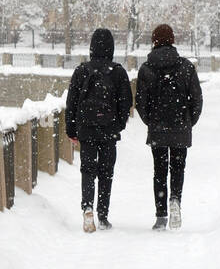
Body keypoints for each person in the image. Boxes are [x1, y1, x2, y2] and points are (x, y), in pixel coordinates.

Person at [64, 27, 134, 232]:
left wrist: (71, 130)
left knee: (87, 170)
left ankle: (87, 208)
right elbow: (126, 103)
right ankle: (103, 214)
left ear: (92, 47)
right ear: (111, 47)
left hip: (86, 129)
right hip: (109, 130)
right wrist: (118, 125)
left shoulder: (81, 71)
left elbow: (72, 103)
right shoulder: (118, 72)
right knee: (106, 172)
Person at [135, 23, 203, 231]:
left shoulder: (146, 69)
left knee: (159, 170)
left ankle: (161, 214)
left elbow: (140, 102)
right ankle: (175, 200)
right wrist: (188, 121)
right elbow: (197, 99)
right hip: (180, 127)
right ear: (172, 40)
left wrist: (151, 121)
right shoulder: (186, 67)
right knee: (178, 168)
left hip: (158, 128)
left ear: (154, 41)